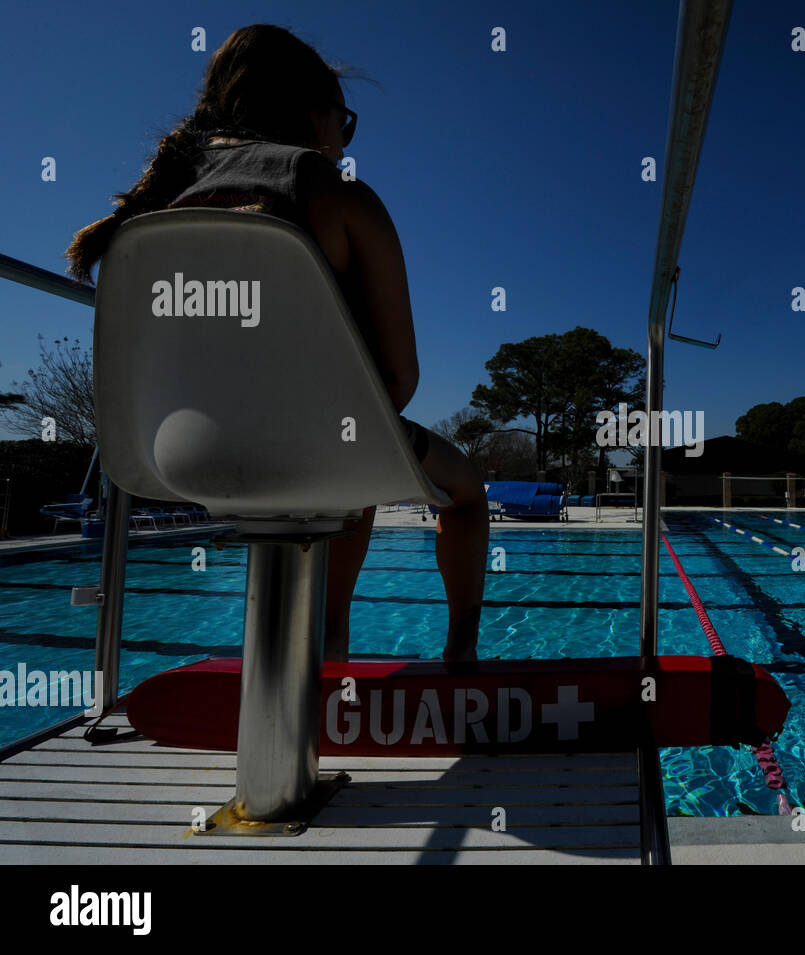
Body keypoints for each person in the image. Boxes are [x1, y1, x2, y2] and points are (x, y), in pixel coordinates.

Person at [64, 24, 488, 663]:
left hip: (172, 454)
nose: (343, 142)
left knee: (348, 450)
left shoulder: (156, 209)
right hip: (324, 449)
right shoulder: (339, 197)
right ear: (316, 116)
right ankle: (455, 655)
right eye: (344, 123)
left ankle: (324, 652)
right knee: (451, 485)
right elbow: (399, 380)